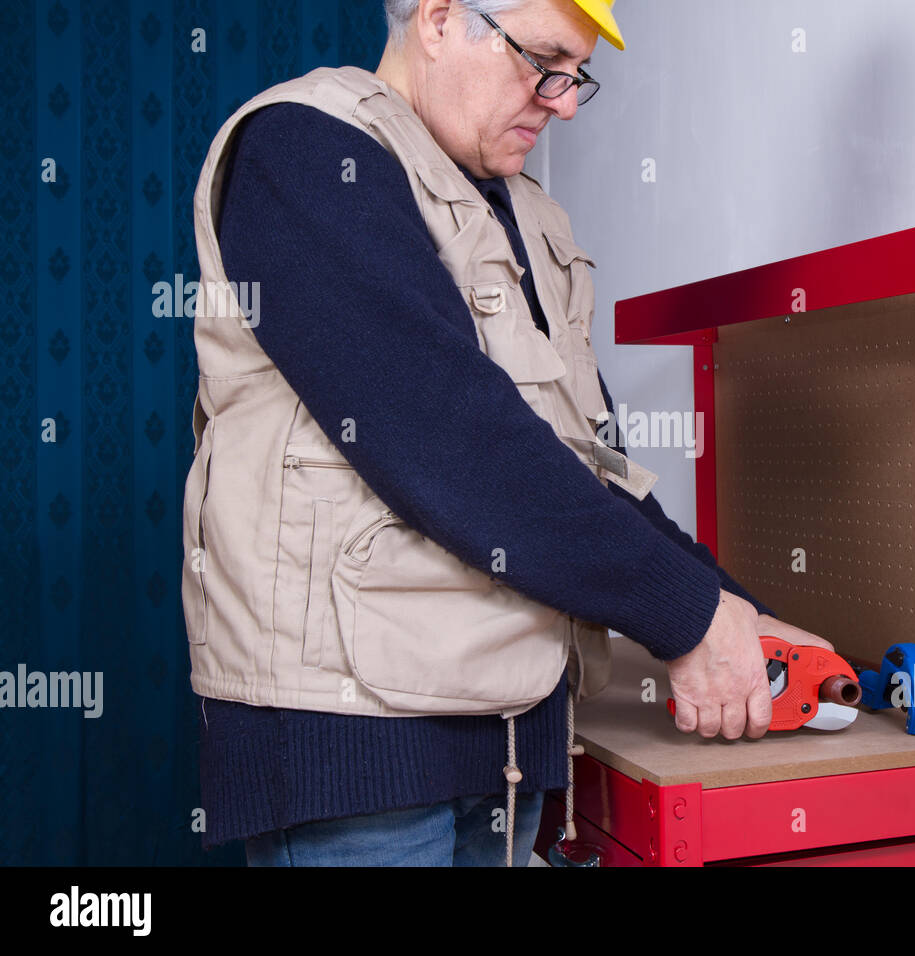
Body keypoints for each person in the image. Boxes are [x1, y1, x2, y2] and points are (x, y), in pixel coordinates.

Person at [182, 0, 834, 868]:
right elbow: (447, 437)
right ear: (444, 18)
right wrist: (684, 620)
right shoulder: (307, 149)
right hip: (358, 755)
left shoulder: (527, 216)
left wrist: (740, 618)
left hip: (513, 752)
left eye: (576, 77)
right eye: (544, 61)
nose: (562, 102)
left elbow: (585, 476)